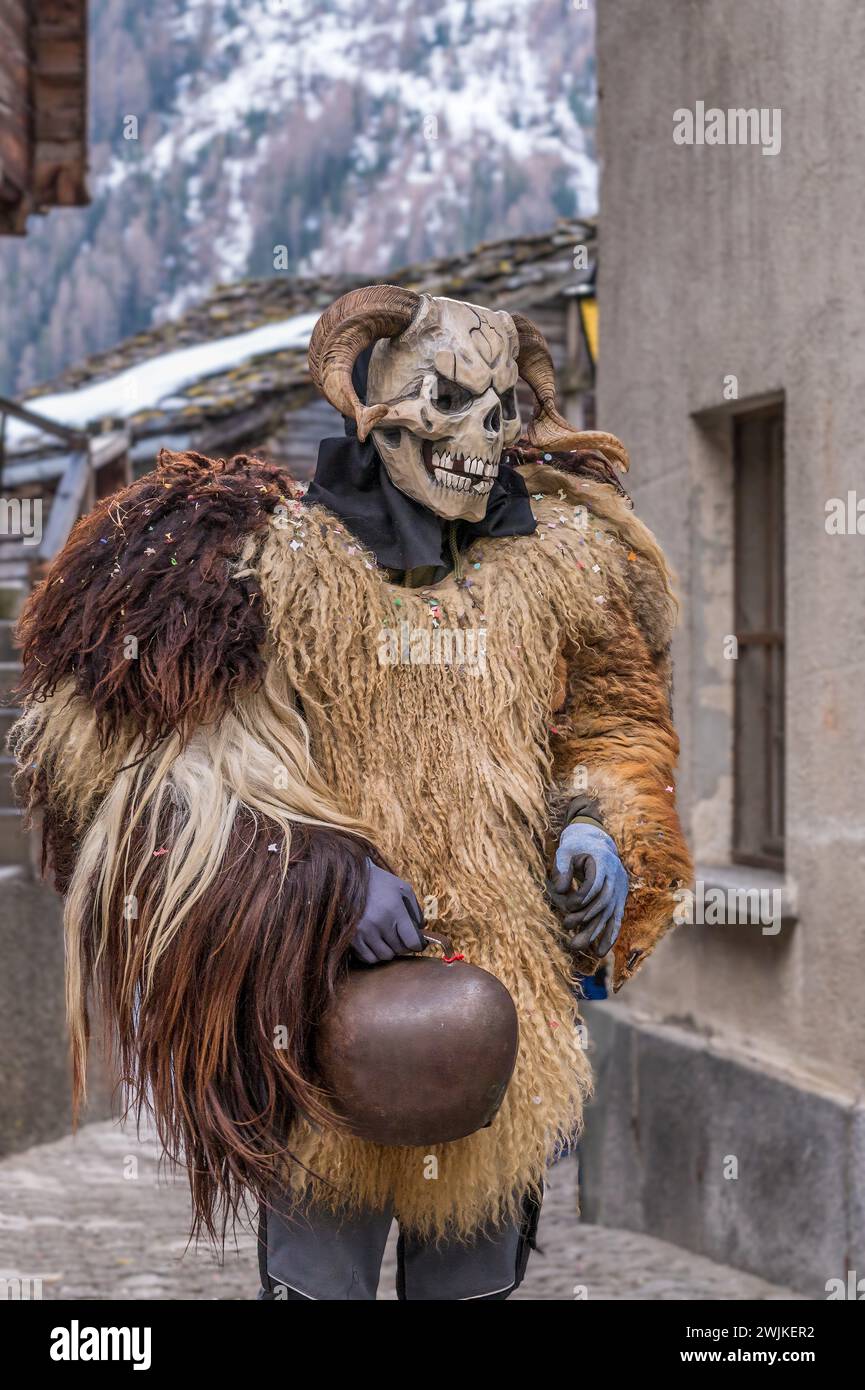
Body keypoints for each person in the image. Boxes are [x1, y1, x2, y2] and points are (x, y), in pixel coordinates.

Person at [11, 286, 692, 1300]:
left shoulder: (563, 563)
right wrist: (310, 882)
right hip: (315, 1017)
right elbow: (124, 757)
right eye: (450, 399)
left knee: (471, 1283)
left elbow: (615, 720)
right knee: (316, 1286)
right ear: (370, 402)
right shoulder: (269, 563)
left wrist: (598, 825)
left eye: (501, 407)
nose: (483, 431)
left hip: (500, 1028)